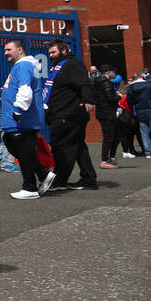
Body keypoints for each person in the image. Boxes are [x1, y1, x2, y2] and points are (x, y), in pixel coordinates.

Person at [0, 39, 54, 199]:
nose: (6, 53)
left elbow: (25, 89)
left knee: (22, 151)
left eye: (9, 49)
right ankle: (43, 174)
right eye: (5, 50)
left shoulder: (23, 66)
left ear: (20, 50)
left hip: (21, 120)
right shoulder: (20, 67)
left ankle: (30, 187)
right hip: (16, 122)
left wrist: (17, 110)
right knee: (17, 148)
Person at [41, 39, 98, 189]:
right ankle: (89, 178)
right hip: (65, 113)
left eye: (54, 52)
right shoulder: (58, 68)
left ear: (64, 51)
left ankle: (58, 180)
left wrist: (88, 99)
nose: (51, 56)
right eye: (49, 53)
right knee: (78, 147)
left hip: (67, 114)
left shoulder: (71, 64)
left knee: (61, 147)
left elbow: (84, 83)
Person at [91, 66, 120, 168]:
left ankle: (110, 158)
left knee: (113, 136)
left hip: (103, 112)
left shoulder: (97, 82)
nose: (114, 74)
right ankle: (105, 160)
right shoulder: (106, 82)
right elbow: (110, 98)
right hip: (107, 112)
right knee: (109, 137)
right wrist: (120, 96)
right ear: (108, 72)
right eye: (113, 72)